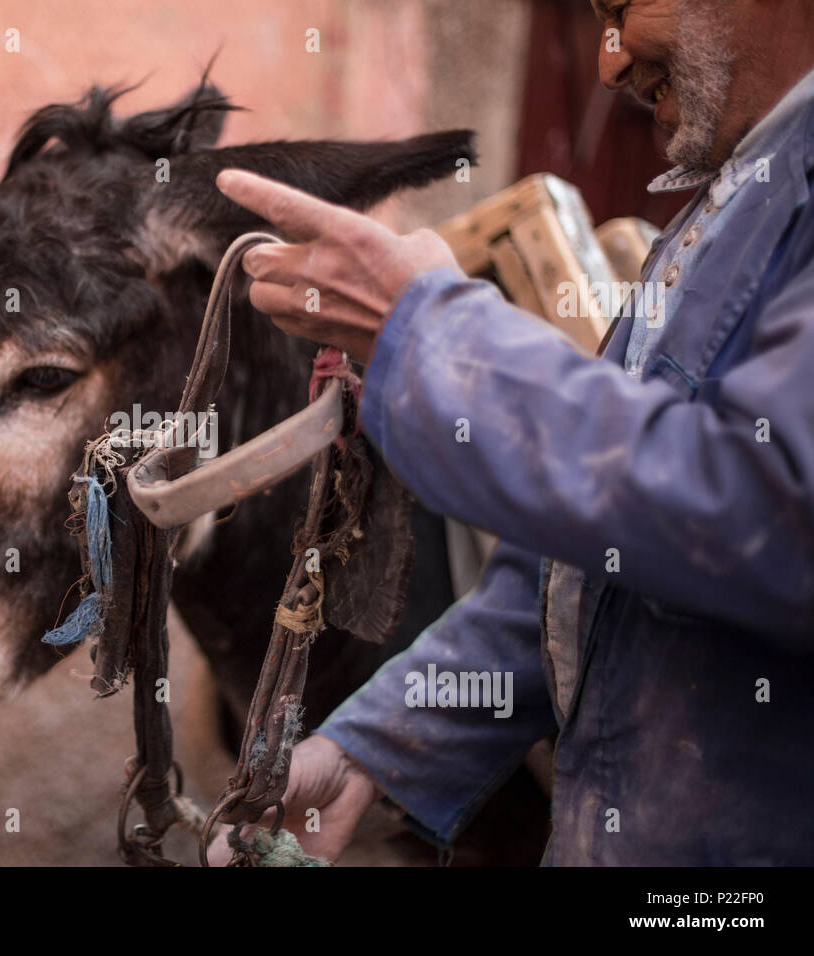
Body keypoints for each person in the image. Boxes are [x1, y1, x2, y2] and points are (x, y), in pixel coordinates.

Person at [210, 0, 814, 865]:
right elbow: (597, 569)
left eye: (621, 7)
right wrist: (375, 747)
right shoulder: (727, 203)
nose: (609, 64)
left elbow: (775, 506)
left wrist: (432, 335)